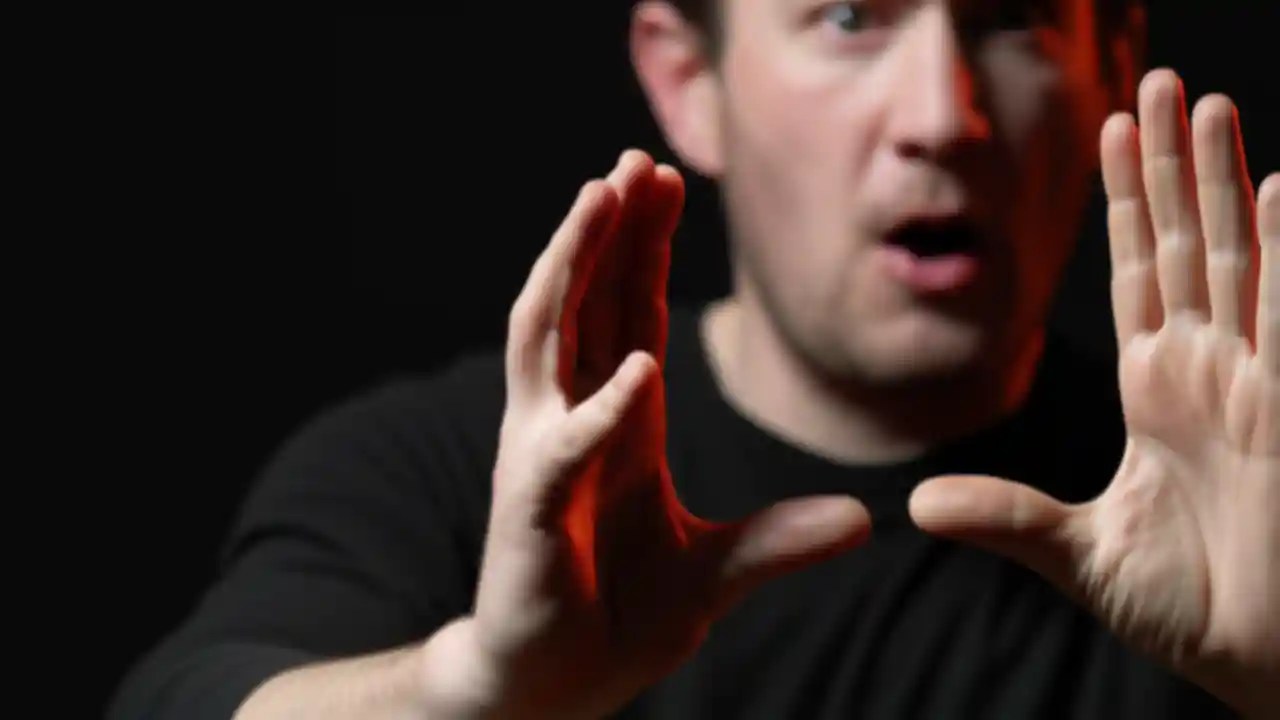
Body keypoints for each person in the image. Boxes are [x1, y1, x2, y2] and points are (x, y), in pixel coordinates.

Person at [109, 0, 1278, 718]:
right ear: (687, 79)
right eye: (845, 17)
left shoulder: (1247, 516)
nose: (941, 113)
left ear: (1109, 58)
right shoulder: (445, 475)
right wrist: (468, 695)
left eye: (1009, 16)